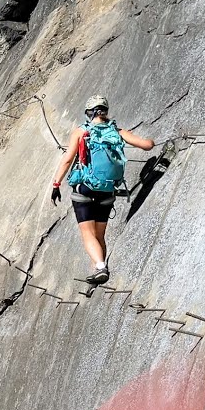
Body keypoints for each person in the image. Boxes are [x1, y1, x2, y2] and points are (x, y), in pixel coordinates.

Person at [49, 95, 154, 284]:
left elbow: (66, 160)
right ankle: (98, 268)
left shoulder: (81, 131)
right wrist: (152, 142)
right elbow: (146, 145)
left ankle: (100, 266)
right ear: (105, 111)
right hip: (107, 191)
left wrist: (56, 185)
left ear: (89, 113)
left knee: (88, 235)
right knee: (99, 235)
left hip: (85, 190)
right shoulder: (116, 131)